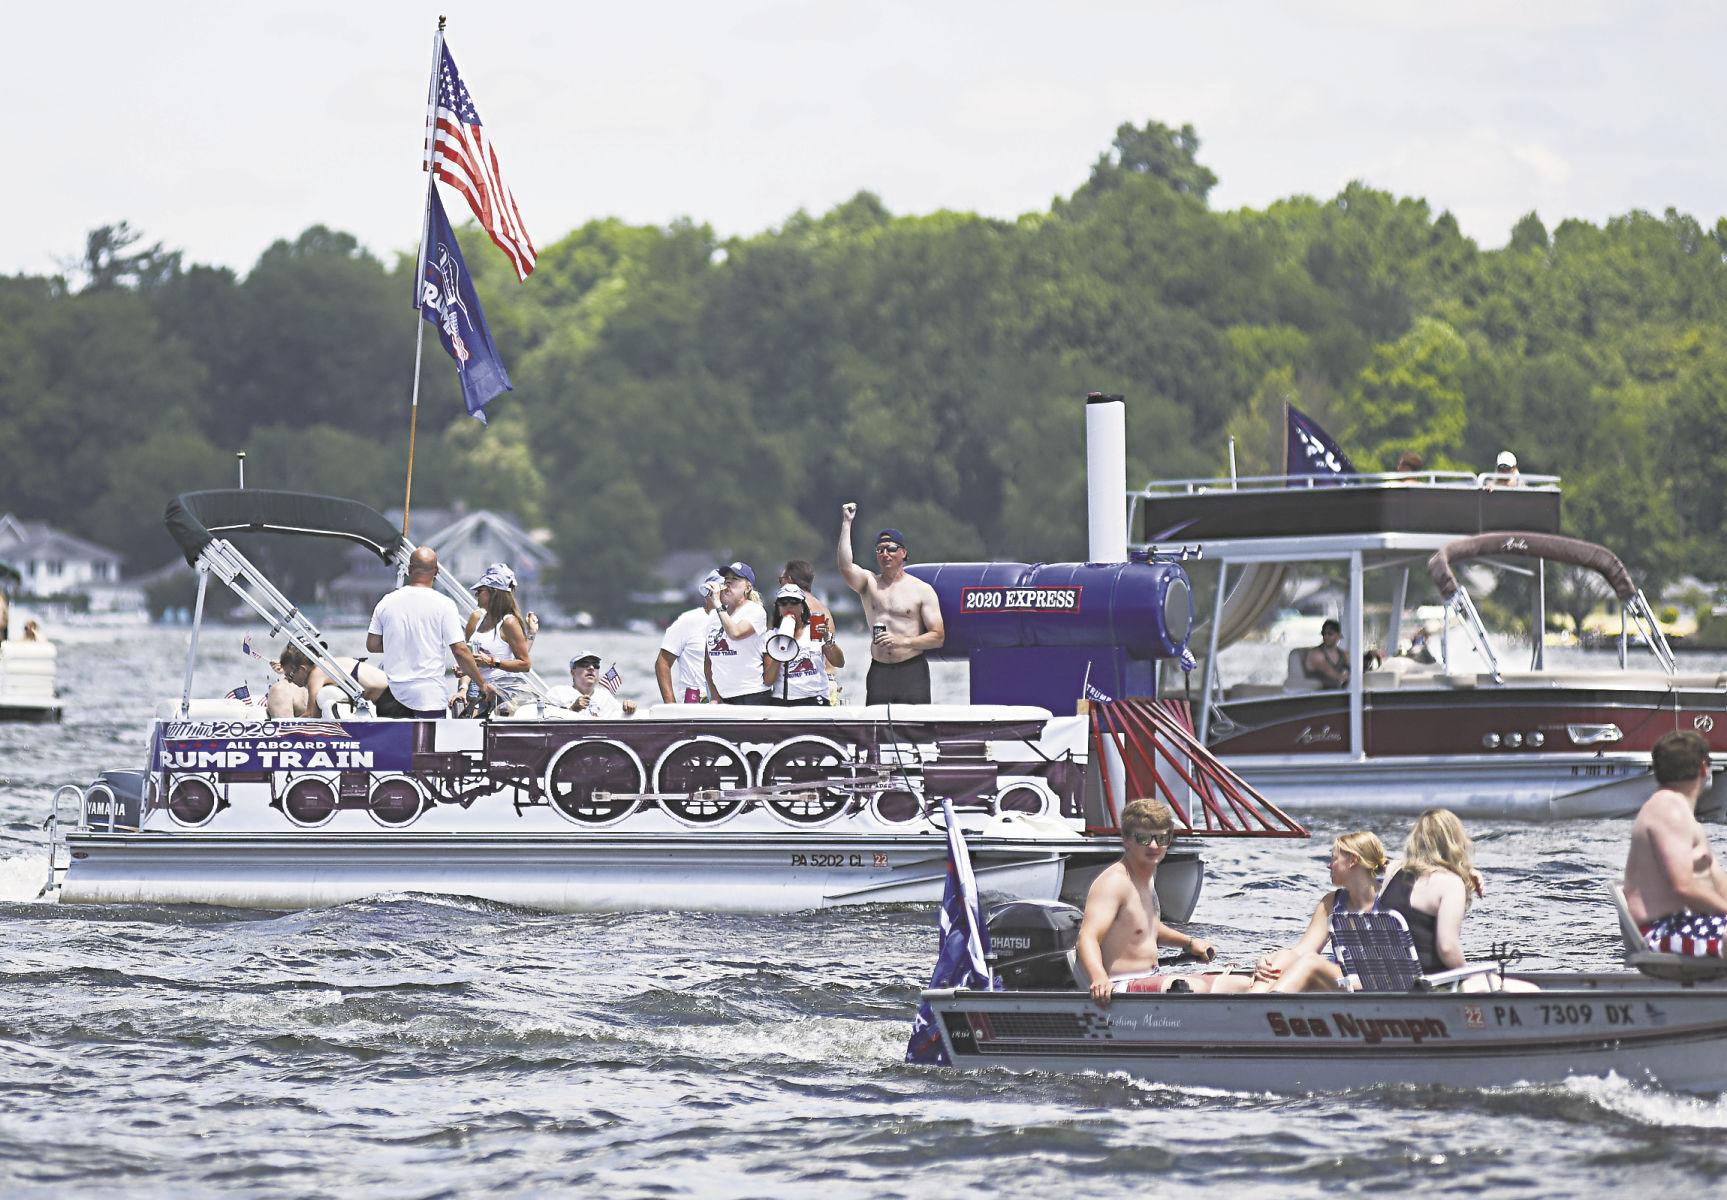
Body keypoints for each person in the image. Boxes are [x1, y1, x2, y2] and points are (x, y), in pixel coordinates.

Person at [1075, 798, 1245, 1004]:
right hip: (1119, 986)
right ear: (1126, 840)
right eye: (1144, 838)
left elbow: (1147, 927)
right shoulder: (1114, 882)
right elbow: (1087, 937)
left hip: (1151, 977)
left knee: (1242, 984)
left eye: (1161, 838)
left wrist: (1189, 943)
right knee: (1196, 988)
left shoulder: (1146, 877)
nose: (1154, 846)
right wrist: (1099, 979)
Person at [1377, 808, 1534, 991]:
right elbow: (1447, 948)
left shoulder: (1393, 871)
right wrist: (1468, 975)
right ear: (1454, 843)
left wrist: (1466, 872)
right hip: (1433, 985)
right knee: (1532, 991)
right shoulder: (1450, 883)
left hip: (1388, 982)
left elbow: (1403, 867)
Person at [1624, 730, 1727, 956]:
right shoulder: (1669, 810)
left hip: (1691, 924)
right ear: (1704, 768)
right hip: (1663, 931)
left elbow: (1719, 884)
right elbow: (1683, 886)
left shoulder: (1678, 812)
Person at [1247, 831, 1388, 993]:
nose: (1329, 865)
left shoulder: (1392, 898)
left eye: (1334, 858)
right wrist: (1268, 960)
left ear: (1353, 860)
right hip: (1340, 978)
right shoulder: (1331, 902)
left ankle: (1266, 1005)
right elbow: (1301, 951)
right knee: (1284, 957)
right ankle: (1254, 1001)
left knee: (1310, 962)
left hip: (1375, 981)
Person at [366, 546, 493, 719]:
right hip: (428, 697)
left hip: (391, 695)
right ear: (437, 572)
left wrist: (400, 644)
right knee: (428, 738)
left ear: (409, 569)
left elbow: (372, 645)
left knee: (396, 737)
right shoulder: (444, 604)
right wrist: (483, 685)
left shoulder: (386, 602)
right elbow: (460, 651)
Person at [835, 505, 945, 704]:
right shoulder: (869, 583)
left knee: (915, 723)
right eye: (880, 550)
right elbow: (845, 567)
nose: (885, 554)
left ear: (903, 553)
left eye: (891, 549)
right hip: (880, 670)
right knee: (876, 723)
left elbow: (938, 637)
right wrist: (846, 523)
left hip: (912, 670)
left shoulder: (922, 590)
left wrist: (903, 642)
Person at [457, 563, 533, 713]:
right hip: (476, 689)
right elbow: (469, 661)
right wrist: (462, 687)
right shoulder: (475, 618)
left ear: (494, 593)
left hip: (501, 691)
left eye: (480, 590)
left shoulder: (509, 622)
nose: (476, 594)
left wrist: (491, 662)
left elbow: (525, 664)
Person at [763, 583, 844, 705]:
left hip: (815, 698)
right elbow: (768, 681)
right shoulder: (771, 637)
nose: (789, 607)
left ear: (802, 607)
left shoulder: (814, 630)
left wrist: (828, 639)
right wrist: (779, 653)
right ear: (778, 608)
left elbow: (839, 663)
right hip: (784, 700)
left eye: (794, 602)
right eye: (783, 603)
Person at [265, 643, 390, 718]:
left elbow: (311, 714)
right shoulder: (327, 667)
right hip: (387, 694)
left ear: (302, 669)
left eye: (290, 676)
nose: (289, 681)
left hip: (389, 697)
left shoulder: (316, 674)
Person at [704, 562, 770, 704]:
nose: (728, 583)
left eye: (734, 579)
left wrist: (717, 604)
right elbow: (708, 661)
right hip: (724, 695)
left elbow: (735, 633)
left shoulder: (755, 611)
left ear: (748, 587)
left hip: (751, 694)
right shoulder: (715, 616)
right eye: (726, 579)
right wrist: (714, 695)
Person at [657, 570, 723, 703]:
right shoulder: (687, 621)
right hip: (695, 702)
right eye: (720, 590)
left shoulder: (737, 621)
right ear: (707, 593)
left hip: (727, 701)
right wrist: (671, 705)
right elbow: (662, 663)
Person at [548, 653, 637, 718]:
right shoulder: (558, 693)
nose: (591, 668)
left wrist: (629, 706)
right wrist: (573, 710)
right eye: (584, 664)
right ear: (572, 672)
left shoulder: (605, 696)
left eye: (595, 665)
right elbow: (547, 722)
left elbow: (622, 716)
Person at [1303, 619, 1350, 689]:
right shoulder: (1316, 654)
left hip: (1337, 693)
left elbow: (1349, 669)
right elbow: (1327, 669)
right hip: (1318, 693)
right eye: (1323, 634)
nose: (1325, 637)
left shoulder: (1343, 654)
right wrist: (1343, 677)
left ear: (1339, 636)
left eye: (1330, 634)